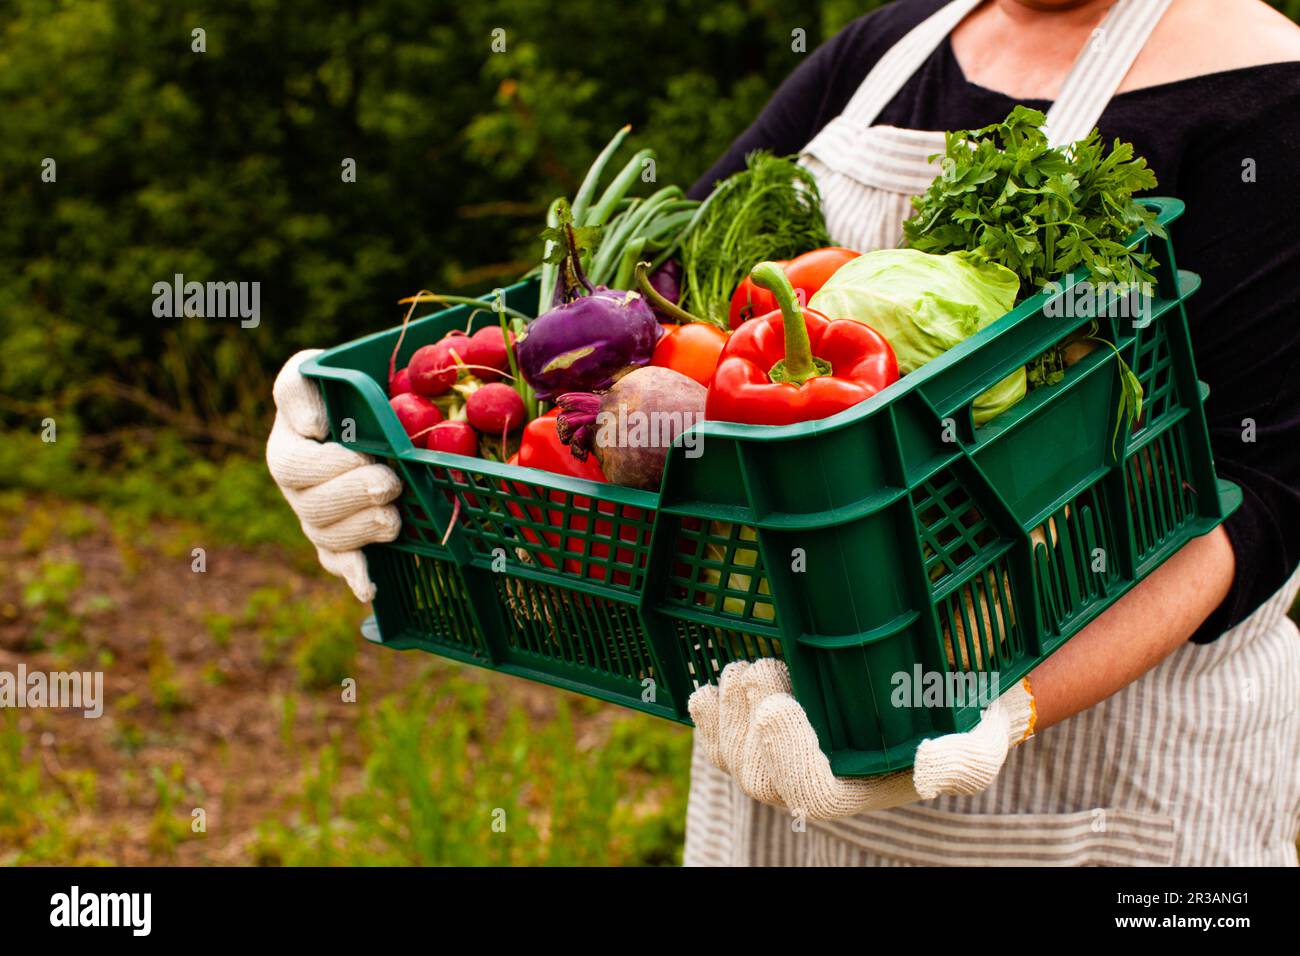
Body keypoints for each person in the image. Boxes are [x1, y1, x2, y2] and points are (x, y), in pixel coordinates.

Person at [267, 0, 1300, 866]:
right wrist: (375, 414)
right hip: (771, 738)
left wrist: (1002, 705)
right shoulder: (883, 50)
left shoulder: (1268, 96)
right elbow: (656, 313)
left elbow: (1262, 497)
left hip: (1104, 783)